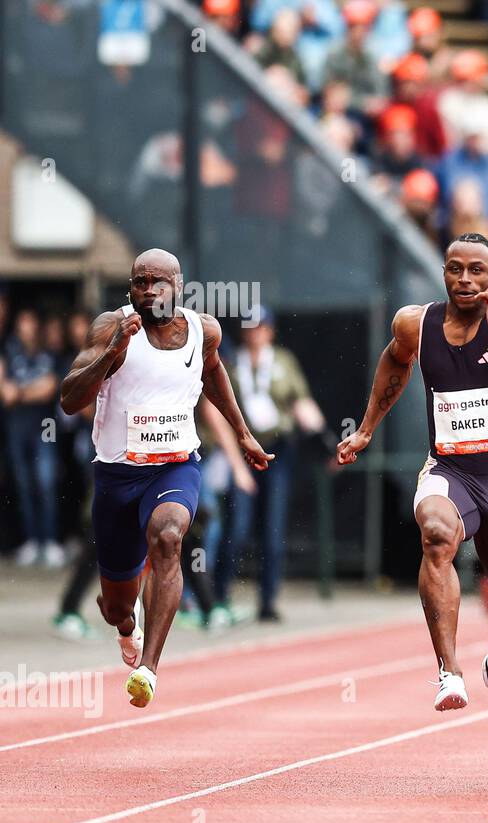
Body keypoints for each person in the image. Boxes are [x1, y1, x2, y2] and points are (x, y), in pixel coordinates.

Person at [336, 233, 488, 710]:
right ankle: (448, 673)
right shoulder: (416, 323)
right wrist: (367, 428)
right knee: (435, 534)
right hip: (449, 471)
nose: (465, 279)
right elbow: (395, 362)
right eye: (455, 269)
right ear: (444, 272)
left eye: (477, 270)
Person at [58, 249, 272, 706]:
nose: (149, 290)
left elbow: (213, 374)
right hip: (116, 476)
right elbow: (69, 400)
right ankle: (123, 620)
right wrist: (112, 352)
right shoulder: (110, 327)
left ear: (179, 285)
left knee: (170, 536)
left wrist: (244, 433)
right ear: (130, 287)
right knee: (116, 602)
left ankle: (149, 668)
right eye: (140, 282)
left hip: (176, 465)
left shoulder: (203, 330)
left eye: (159, 282)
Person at [218, 306, 325, 622]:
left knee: (272, 526)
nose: (255, 333)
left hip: (277, 451)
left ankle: (267, 600)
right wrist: (236, 462)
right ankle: (220, 595)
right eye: (250, 328)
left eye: (261, 327)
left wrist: (326, 441)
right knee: (237, 525)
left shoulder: (282, 361)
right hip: (242, 451)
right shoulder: (231, 364)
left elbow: (301, 402)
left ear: (271, 330)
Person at [1, 309, 62, 567]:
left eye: (30, 323)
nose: (26, 328)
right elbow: (5, 395)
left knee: (45, 483)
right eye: (22, 323)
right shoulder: (9, 351)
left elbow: (50, 388)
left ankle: (49, 541)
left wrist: (21, 392)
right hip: (17, 428)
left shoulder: (48, 352)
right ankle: (32, 540)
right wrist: (30, 390)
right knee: (24, 485)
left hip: (44, 428)